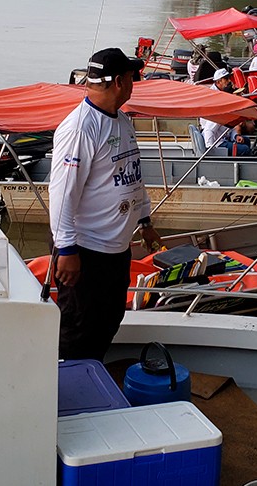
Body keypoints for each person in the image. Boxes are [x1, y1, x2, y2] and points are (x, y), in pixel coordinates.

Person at [50, 48, 161, 361]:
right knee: (78, 328)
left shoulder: (122, 120)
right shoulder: (80, 129)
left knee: (109, 319)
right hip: (86, 250)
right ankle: (68, 383)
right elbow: (62, 193)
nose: (134, 82)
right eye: (132, 76)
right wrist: (67, 250)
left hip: (116, 250)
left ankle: (93, 371)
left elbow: (132, 176)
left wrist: (145, 221)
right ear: (120, 82)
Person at [200, 68, 251, 156]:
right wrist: (210, 151)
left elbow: (229, 128)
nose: (229, 81)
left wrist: (236, 136)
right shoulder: (219, 107)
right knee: (245, 149)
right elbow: (209, 130)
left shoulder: (226, 104)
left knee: (246, 141)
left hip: (223, 136)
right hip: (218, 142)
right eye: (226, 79)